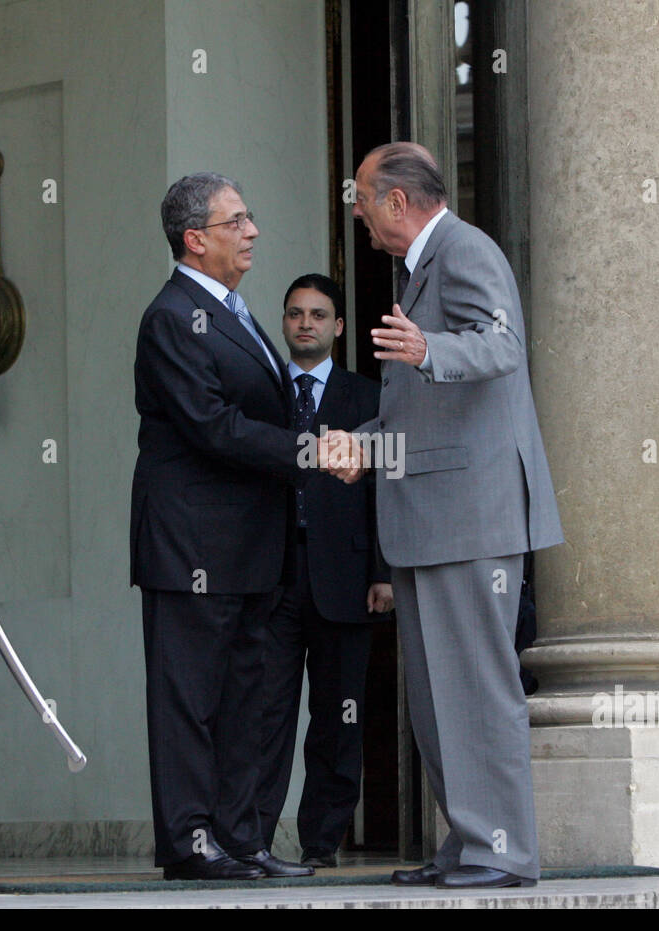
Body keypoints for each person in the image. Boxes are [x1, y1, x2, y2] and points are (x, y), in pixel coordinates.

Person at [129, 174, 359, 880]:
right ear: (196, 239)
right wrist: (312, 451)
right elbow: (211, 426)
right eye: (238, 220)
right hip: (193, 545)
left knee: (245, 706)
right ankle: (191, 841)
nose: (253, 231)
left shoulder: (232, 310)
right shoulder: (173, 315)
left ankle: (241, 838)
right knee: (190, 702)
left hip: (250, 549)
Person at [352, 142, 563, 889]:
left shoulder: (467, 249)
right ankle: (471, 841)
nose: (357, 212)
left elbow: (501, 344)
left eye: (362, 197)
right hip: (431, 512)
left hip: (472, 514)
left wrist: (427, 346)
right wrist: (363, 447)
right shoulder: (419, 271)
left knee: (476, 688)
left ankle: (501, 850)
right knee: (440, 698)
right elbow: (431, 411)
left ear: (398, 202)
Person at [256, 274, 392, 867]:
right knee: (266, 713)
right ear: (283, 323)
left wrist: (384, 571)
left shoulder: (369, 396)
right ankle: (251, 838)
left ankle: (321, 841)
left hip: (348, 576)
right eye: (294, 314)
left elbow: (387, 486)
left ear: (338, 326)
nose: (304, 323)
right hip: (273, 575)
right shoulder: (262, 395)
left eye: (317, 314)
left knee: (339, 716)